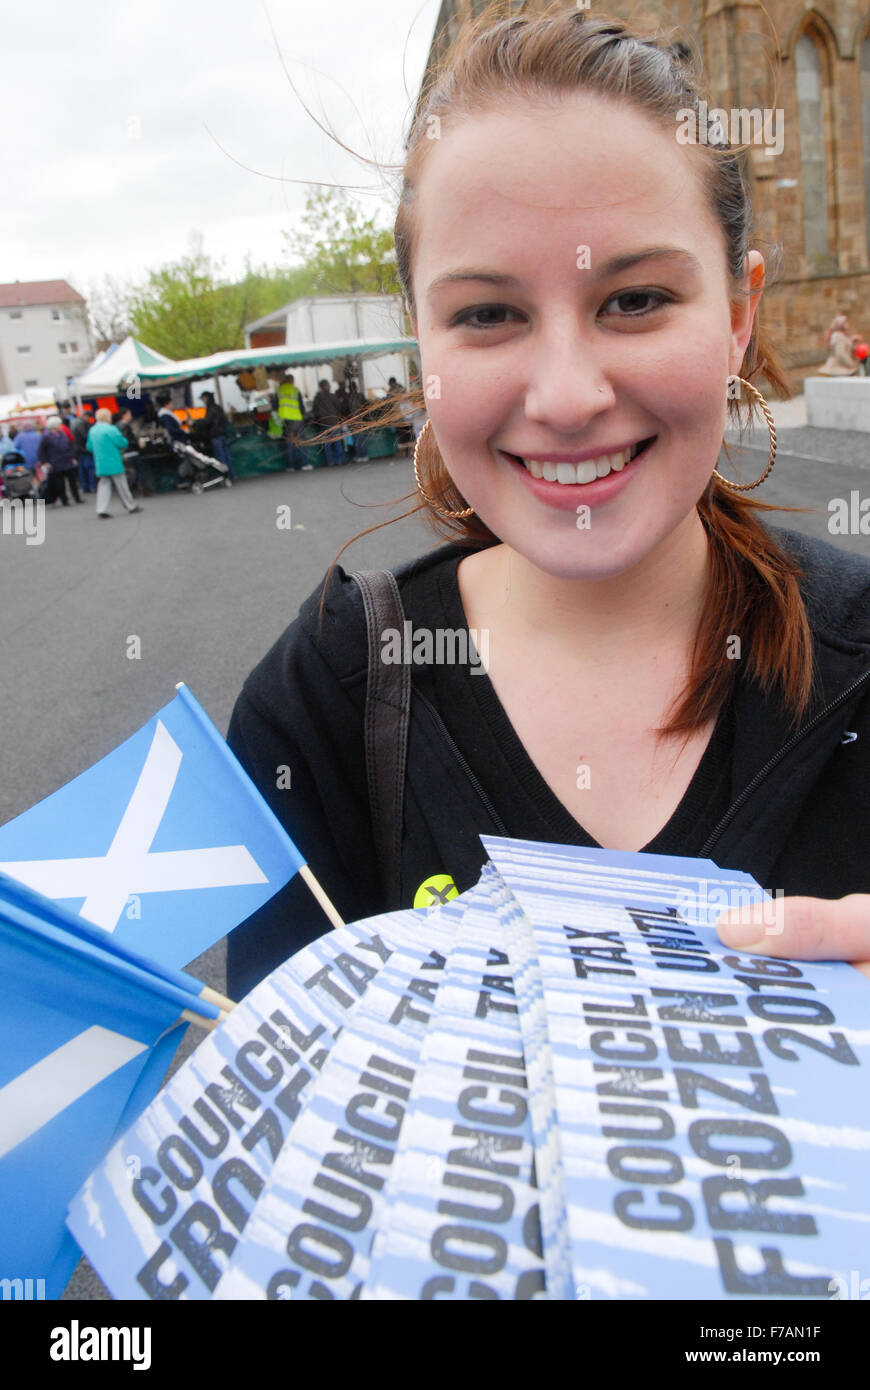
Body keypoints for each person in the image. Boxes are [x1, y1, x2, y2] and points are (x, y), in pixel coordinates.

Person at [225, 9, 870, 1003]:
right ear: (421, 346)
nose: (568, 397)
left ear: (739, 317)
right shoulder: (326, 703)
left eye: (637, 299)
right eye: (487, 314)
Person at [88, 406, 141, 518]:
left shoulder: (92, 430)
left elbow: (89, 446)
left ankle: (101, 509)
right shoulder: (111, 429)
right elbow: (122, 443)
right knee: (122, 484)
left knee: (103, 484)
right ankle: (130, 505)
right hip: (113, 460)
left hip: (100, 461)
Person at [38, 415, 82, 505]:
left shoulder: (62, 434)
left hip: (67, 460)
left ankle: (77, 498)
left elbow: (69, 446)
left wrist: (73, 457)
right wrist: (45, 462)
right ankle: (64, 500)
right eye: (59, 424)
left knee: (73, 482)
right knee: (60, 484)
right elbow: (41, 451)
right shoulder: (46, 437)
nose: (60, 426)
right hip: (55, 463)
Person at [200, 390, 235, 479]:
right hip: (222, 434)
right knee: (226, 456)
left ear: (206, 398)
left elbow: (207, 422)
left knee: (221, 457)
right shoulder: (218, 407)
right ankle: (230, 475)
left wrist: (197, 422)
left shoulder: (210, 409)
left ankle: (226, 476)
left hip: (216, 436)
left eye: (203, 399)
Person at [310, 380, 344, 467]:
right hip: (334, 422)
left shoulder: (317, 398)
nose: (329, 386)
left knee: (327, 444)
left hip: (323, 423)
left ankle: (330, 462)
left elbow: (314, 411)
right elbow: (340, 407)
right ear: (324, 386)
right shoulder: (332, 396)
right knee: (337, 442)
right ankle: (339, 461)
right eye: (328, 385)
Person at [278, 371, 305, 471]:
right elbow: (302, 406)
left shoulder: (279, 391)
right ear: (292, 381)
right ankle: (304, 464)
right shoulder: (295, 390)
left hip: (285, 420)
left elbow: (275, 406)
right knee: (300, 442)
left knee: (288, 443)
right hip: (297, 419)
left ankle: (290, 466)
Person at [72, 410, 96, 493]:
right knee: (90, 468)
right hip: (84, 450)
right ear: (86, 416)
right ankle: (92, 486)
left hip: (78, 450)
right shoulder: (82, 424)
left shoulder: (75, 422)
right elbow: (85, 435)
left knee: (82, 470)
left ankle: (85, 487)